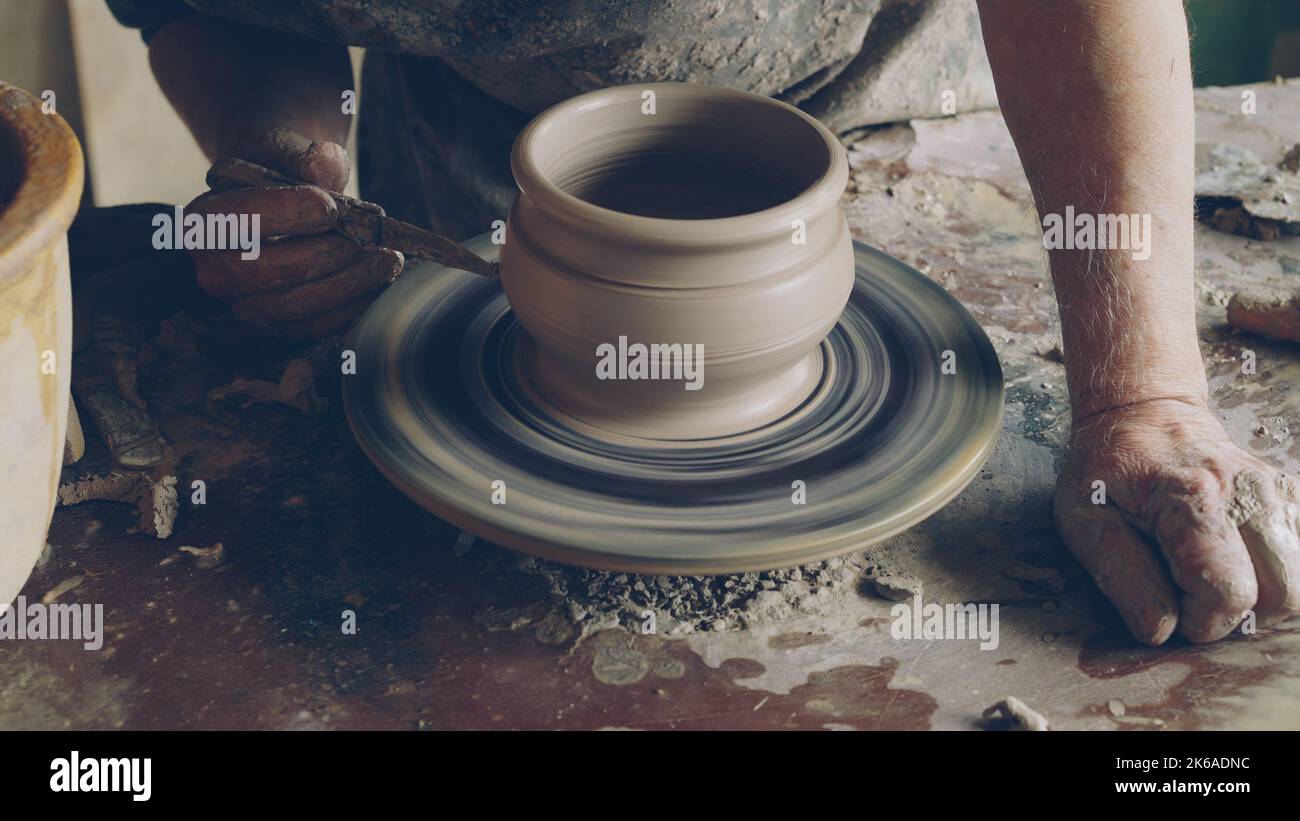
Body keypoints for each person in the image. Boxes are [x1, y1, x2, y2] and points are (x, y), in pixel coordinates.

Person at [108, 0, 1300, 645]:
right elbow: (219, 8)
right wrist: (280, 159)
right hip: (496, 166)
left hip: (923, 128)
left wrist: (1141, 389)